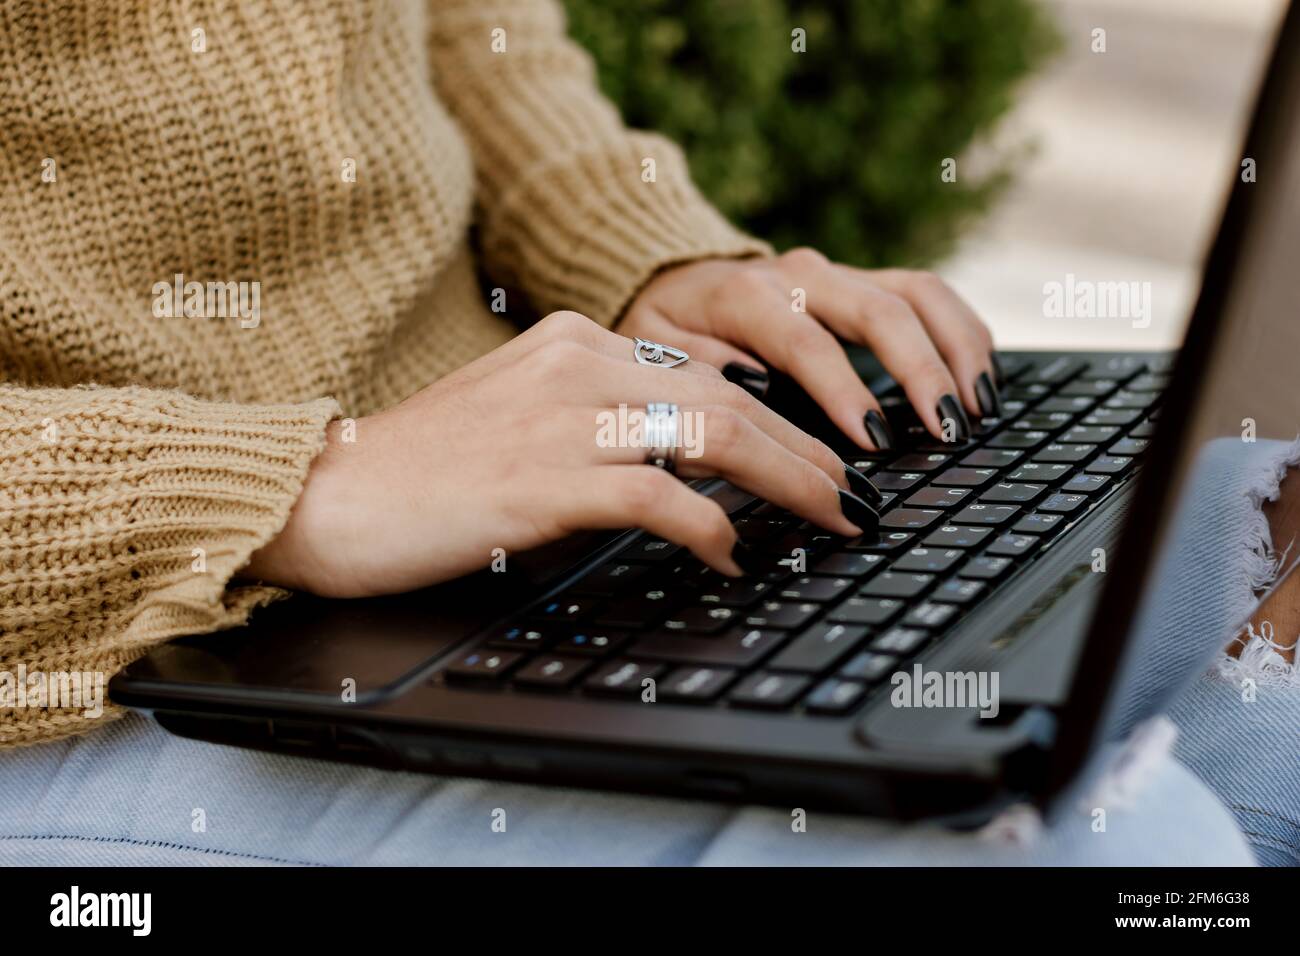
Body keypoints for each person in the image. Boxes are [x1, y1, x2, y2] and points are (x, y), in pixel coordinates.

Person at [0, 0, 1294, 866]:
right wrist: (296, 491)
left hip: (487, 533)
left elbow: (454, 31)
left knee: (1269, 544)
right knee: (1116, 850)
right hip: (92, 667)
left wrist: (635, 262)